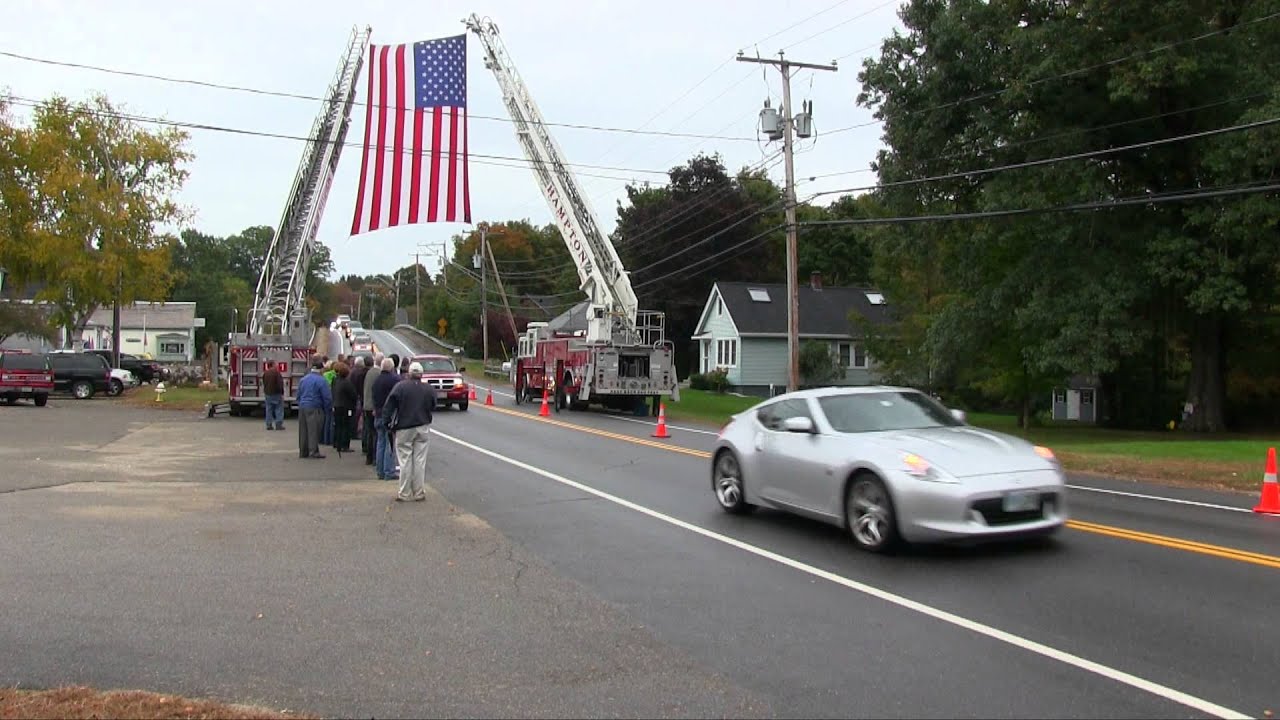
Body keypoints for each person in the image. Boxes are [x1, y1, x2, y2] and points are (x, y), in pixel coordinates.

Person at [382, 361, 436, 502]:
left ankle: (404, 493)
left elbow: (389, 406)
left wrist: (386, 422)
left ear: (409, 373)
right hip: (422, 425)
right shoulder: (428, 389)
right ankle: (419, 492)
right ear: (421, 375)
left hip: (404, 426)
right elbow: (433, 405)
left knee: (405, 460)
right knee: (420, 460)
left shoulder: (400, 387)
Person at [371, 357, 401, 481]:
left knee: (380, 443)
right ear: (392, 367)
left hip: (378, 413)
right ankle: (389, 471)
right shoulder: (395, 380)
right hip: (389, 416)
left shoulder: (376, 381)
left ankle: (380, 471)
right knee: (390, 444)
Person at [296, 357, 332, 459]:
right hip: (315, 407)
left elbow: (298, 394)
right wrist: (327, 408)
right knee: (314, 430)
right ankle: (313, 451)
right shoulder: (321, 380)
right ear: (321, 369)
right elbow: (327, 397)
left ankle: (303, 451)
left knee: (303, 430)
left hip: (303, 406)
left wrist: (300, 403)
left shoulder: (303, 379)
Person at [362, 353, 384, 465]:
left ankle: (369, 456)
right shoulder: (378, 373)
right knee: (375, 433)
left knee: (370, 432)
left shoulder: (370, 372)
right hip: (373, 407)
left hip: (367, 405)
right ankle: (375, 457)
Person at [332, 361, 358, 453]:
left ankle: (337, 443)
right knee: (346, 426)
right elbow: (353, 395)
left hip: (336, 405)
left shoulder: (335, 380)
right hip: (346, 407)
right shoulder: (347, 383)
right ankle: (345, 445)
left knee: (338, 426)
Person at [261, 363, 284, 431]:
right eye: (275, 364)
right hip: (276, 393)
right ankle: (278, 425)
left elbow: (264, 382)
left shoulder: (265, 373)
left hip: (268, 393)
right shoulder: (277, 373)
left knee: (269, 409)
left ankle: (269, 425)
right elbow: (280, 383)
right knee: (279, 409)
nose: (277, 366)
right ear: (273, 365)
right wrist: (282, 392)